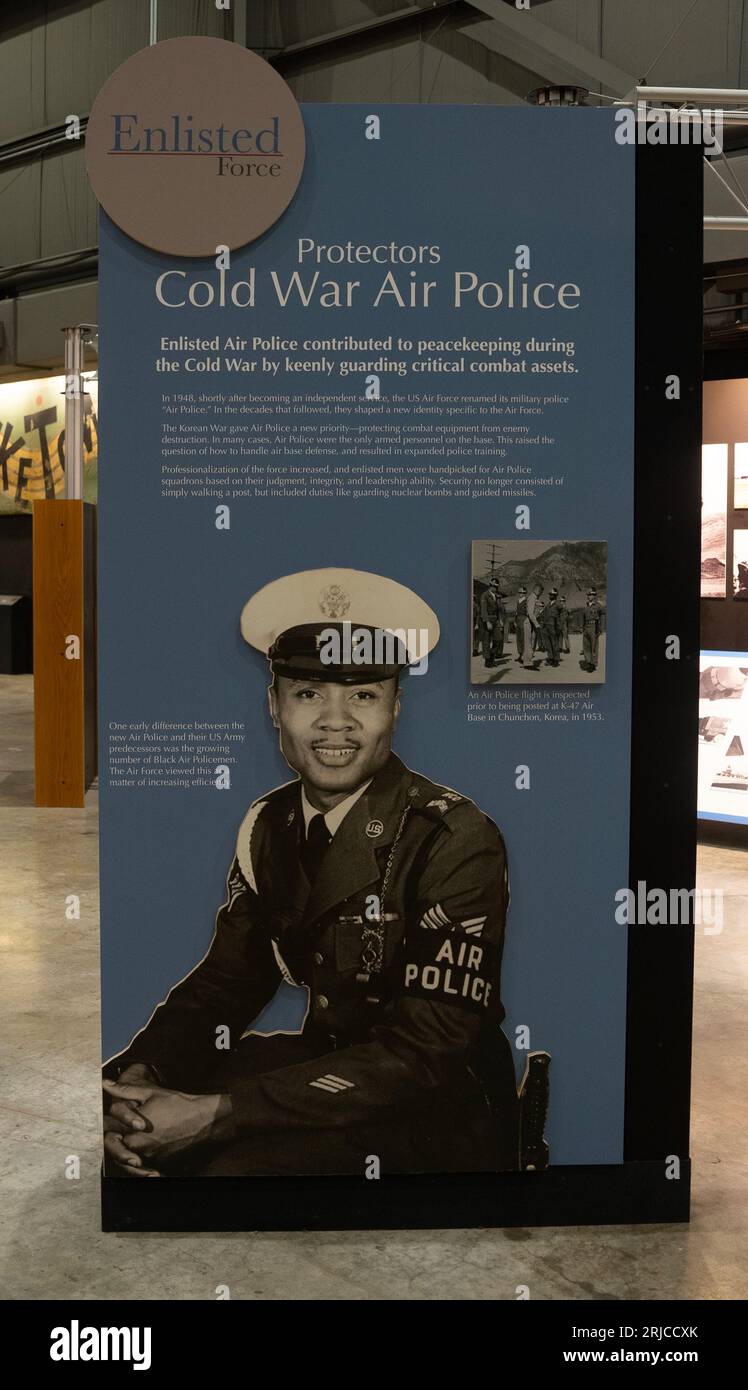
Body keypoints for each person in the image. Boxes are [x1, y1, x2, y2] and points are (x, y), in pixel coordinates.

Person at [103, 568, 519, 1178]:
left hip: (438, 1106)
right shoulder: (268, 823)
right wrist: (143, 1078)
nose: (335, 722)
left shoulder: (454, 839)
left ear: (396, 707)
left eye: (364, 695)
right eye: (307, 694)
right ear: (273, 705)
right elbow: (228, 981)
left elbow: (423, 1054)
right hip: (325, 1069)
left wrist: (219, 1114)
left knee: (229, 1173)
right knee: (135, 1137)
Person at [479, 578, 503, 667]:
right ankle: (487, 661)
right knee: (486, 641)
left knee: (498, 639)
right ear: (490, 585)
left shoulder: (496, 596)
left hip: (495, 620)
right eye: (494, 586)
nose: (496, 588)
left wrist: (500, 619)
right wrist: (487, 621)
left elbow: (498, 610)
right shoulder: (484, 595)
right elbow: (483, 610)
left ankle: (492, 657)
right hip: (487, 620)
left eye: (497, 587)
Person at [582, 587, 604, 671]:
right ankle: (588, 662)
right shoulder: (586, 606)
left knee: (594, 646)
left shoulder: (598, 606)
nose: (589, 596)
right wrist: (583, 627)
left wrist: (600, 628)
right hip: (586, 627)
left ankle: (593, 664)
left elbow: (602, 616)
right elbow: (584, 617)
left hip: (594, 627)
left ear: (594, 595)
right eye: (588, 595)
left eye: (591, 594)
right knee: (586, 646)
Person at [538, 588, 561, 667]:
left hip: (554, 627)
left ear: (555, 596)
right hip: (547, 627)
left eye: (552, 595)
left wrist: (559, 626)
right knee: (548, 644)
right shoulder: (548, 605)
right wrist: (543, 624)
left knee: (554, 644)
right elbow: (544, 615)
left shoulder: (558, 604)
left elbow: (563, 615)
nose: (550, 596)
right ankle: (550, 658)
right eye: (550, 594)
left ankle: (556, 660)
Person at [524, 582, 543, 669]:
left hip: (533, 622)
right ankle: (528, 663)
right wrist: (537, 625)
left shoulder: (535, 598)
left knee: (533, 642)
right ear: (538, 590)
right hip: (529, 622)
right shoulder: (532, 598)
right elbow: (531, 614)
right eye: (541, 592)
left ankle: (528, 661)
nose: (541, 594)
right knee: (529, 643)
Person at [515, 585, 528, 662]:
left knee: (523, 638)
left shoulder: (527, 601)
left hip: (524, 619)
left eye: (521, 592)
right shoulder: (518, 601)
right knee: (518, 638)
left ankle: (524, 655)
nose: (520, 594)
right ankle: (520, 654)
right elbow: (516, 612)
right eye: (519, 592)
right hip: (518, 619)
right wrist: (515, 621)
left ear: (524, 593)